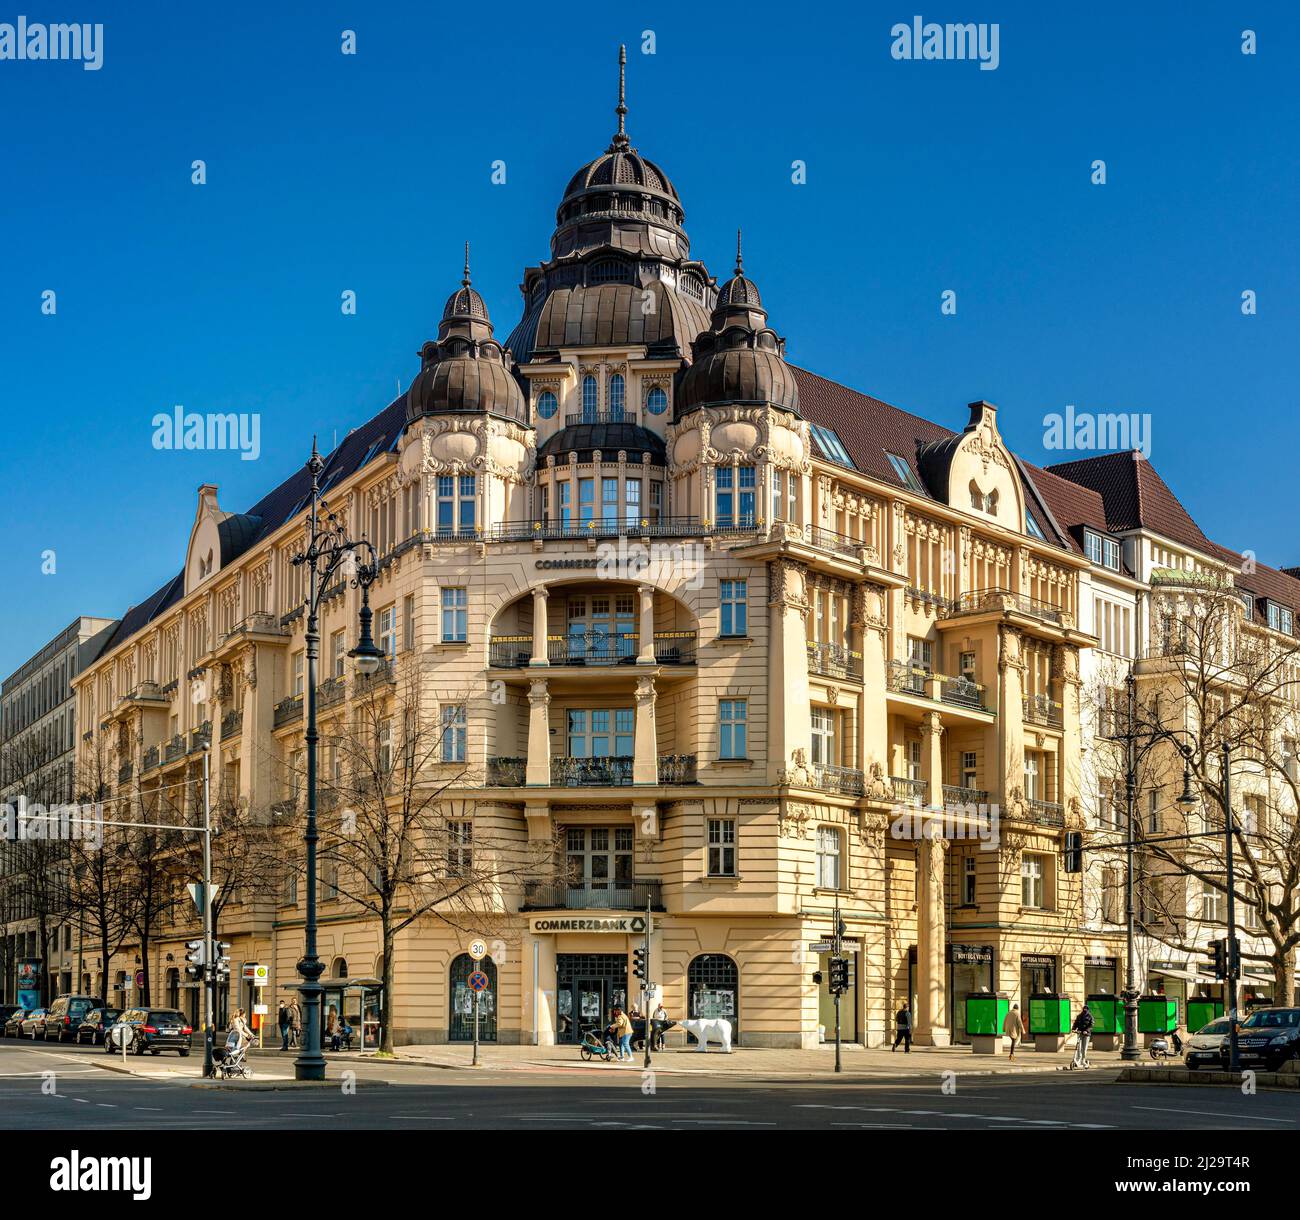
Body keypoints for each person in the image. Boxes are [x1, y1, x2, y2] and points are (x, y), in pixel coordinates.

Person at [1071, 1003, 1094, 1069]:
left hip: (1086, 1034)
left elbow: (1091, 1025)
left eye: (1086, 1009)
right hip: (1080, 1033)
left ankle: (1083, 1060)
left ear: (1088, 1010)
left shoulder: (1090, 1017)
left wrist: (1086, 1030)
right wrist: (1073, 1029)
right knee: (1078, 1047)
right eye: (1084, 1008)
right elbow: (1076, 1023)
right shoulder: (1079, 1016)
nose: (1085, 1010)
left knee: (1084, 1048)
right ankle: (1078, 1060)